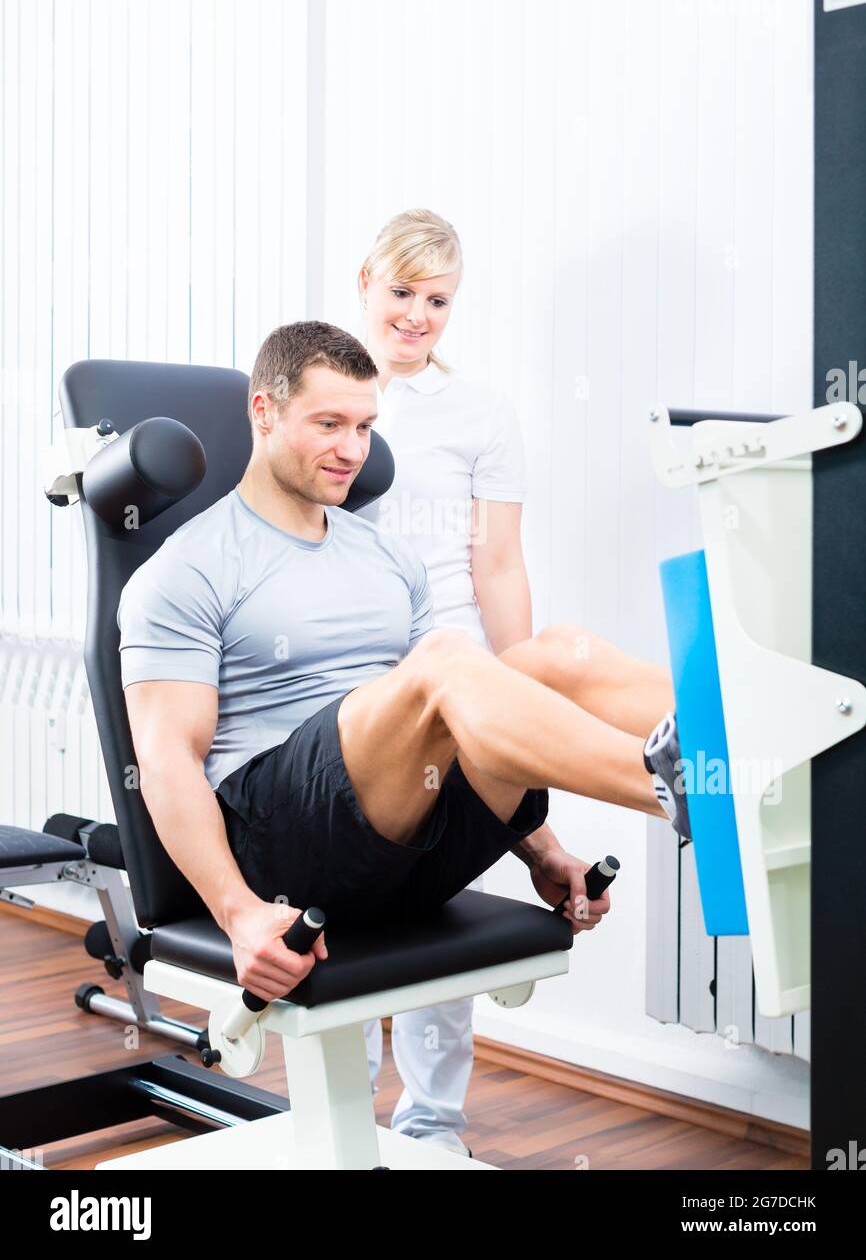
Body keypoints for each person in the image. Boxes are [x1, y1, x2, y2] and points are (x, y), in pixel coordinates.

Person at [117, 321, 689, 1123]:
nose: (353, 449)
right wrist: (239, 913)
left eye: (364, 427)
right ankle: (685, 787)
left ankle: (750, 749)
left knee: (557, 651)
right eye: (329, 424)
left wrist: (543, 850)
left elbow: (459, 717)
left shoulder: (385, 557)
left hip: (402, 844)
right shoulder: (186, 566)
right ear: (264, 413)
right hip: (284, 845)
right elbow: (168, 758)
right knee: (453, 657)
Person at [351, 208, 535, 1155]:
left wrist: (520, 690)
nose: (419, 316)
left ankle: (431, 1127)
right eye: (403, 293)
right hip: (352, 670)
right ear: (365, 284)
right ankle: (342, 1113)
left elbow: (497, 562)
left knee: (439, 895)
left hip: (454, 663)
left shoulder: (481, 413)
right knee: (343, 893)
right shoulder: (328, 397)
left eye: (439, 300)